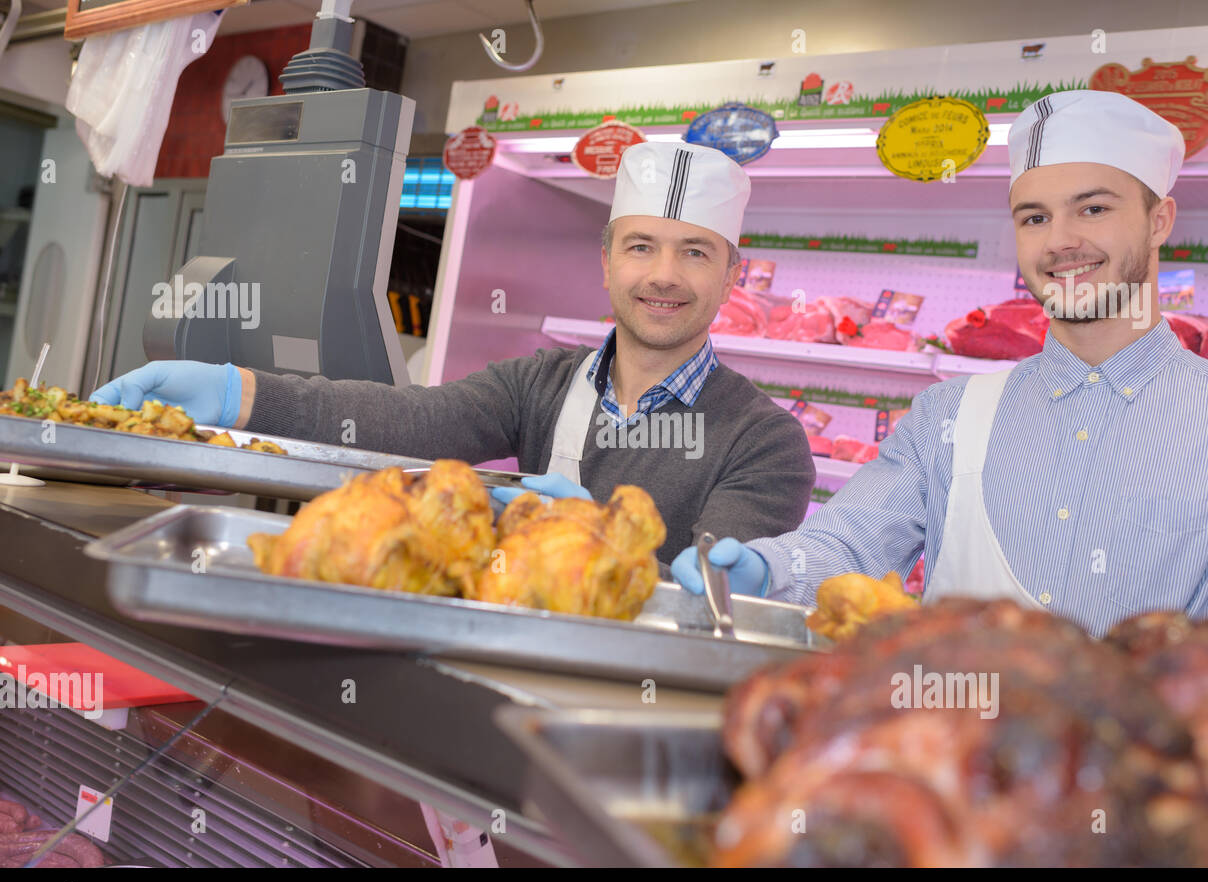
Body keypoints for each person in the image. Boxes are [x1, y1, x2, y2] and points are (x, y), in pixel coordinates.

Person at [674, 90, 1208, 639]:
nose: (1059, 240)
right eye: (1034, 217)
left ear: (1159, 219)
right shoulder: (950, 415)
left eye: (1093, 208)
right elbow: (846, 544)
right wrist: (762, 571)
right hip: (954, 759)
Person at [92, 141, 815, 566]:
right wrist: (233, 393)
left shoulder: (766, 442)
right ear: (605, 261)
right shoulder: (539, 384)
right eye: (640, 247)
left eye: (694, 252)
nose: (663, 274)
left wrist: (597, 536)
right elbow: (401, 419)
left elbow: (716, 612)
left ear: (732, 273)